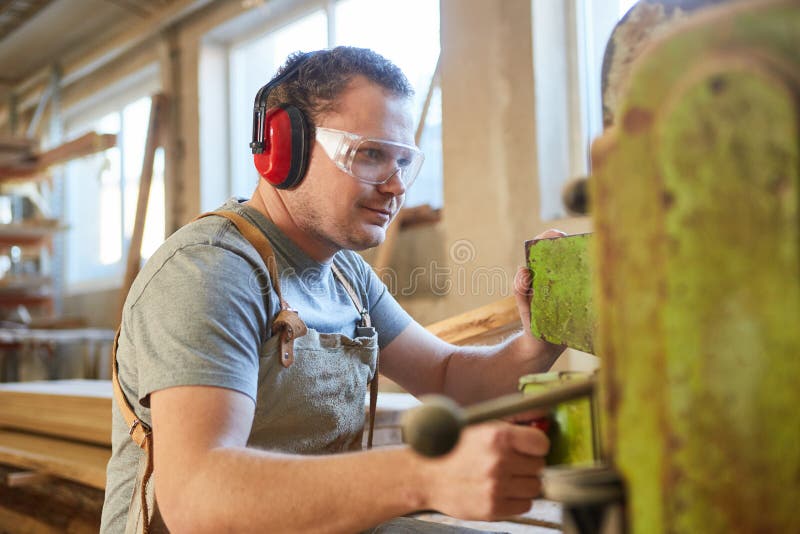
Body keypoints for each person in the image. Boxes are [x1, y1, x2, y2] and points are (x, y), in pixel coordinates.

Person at [101, 46, 565, 533]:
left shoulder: (347, 274)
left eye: (403, 162)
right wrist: (421, 476)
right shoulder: (209, 271)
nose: (396, 186)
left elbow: (448, 378)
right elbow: (199, 498)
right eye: (370, 155)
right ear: (284, 151)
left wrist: (539, 341)